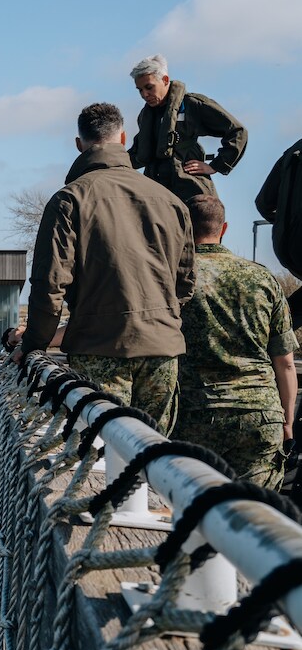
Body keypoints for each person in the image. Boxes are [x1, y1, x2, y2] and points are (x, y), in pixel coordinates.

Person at [12, 102, 195, 434]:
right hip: (162, 349)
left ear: (79, 143)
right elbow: (184, 284)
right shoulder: (172, 202)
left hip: (99, 348)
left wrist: (33, 344)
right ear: (123, 138)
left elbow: (50, 285)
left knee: (97, 454)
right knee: (151, 457)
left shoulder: (69, 200)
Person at [175, 195, 297, 489]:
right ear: (224, 228)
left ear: (182, 229)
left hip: (194, 414)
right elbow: (286, 362)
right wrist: (288, 421)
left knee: (190, 513)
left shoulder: (173, 277)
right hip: (260, 415)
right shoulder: (263, 278)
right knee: (256, 519)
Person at [127, 54, 248, 203]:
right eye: (140, 90)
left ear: (165, 80)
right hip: (156, 192)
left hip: (190, 190)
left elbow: (237, 131)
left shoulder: (191, 105)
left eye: (149, 87)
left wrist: (217, 165)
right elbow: (137, 153)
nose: (144, 94)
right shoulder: (146, 117)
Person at [255, 136, 302, 321]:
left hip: (284, 244)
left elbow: (263, 202)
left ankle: (275, 331)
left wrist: (285, 221)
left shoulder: (291, 152)